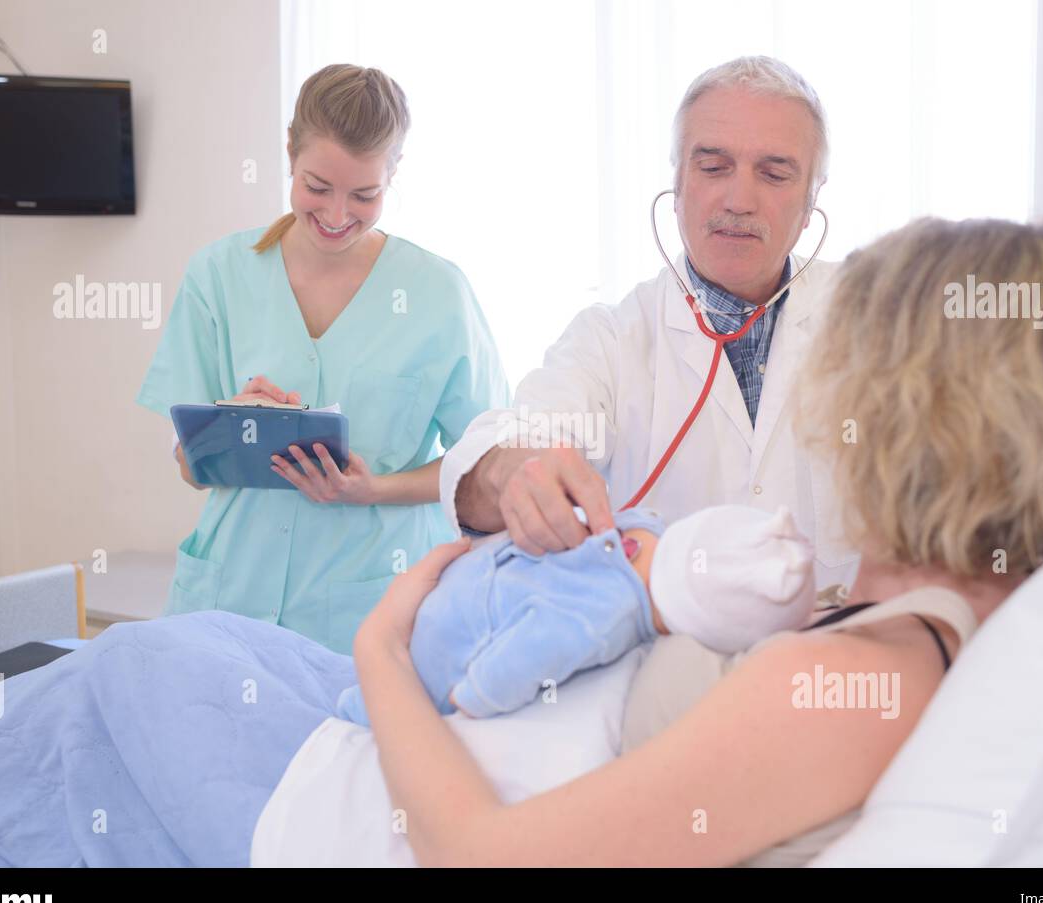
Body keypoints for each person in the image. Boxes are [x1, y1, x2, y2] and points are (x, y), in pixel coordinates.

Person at [348, 216, 1043, 866]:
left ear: (901, 413)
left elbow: (481, 855)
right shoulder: (932, 626)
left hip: (377, 768)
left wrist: (379, 649)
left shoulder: (855, 681)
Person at [441, 56, 858, 593]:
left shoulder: (877, 320)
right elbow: (519, 437)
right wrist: (512, 472)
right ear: (677, 184)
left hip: (840, 636)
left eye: (774, 174)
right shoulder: (611, 340)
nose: (739, 200)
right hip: (668, 642)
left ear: (812, 199)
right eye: (713, 167)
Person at [137, 65, 509, 652]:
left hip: (369, 607)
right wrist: (234, 423)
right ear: (290, 152)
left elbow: (485, 464)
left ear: (393, 173)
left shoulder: (438, 293)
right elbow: (192, 468)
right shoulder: (218, 275)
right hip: (228, 598)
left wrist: (374, 489)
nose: (337, 216)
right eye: (317, 187)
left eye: (365, 195)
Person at [332, 503, 815, 725]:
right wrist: (475, 696)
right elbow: (523, 659)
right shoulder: (604, 619)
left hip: (458, 582)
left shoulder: (641, 524)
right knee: (373, 709)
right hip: (447, 651)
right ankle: (357, 711)